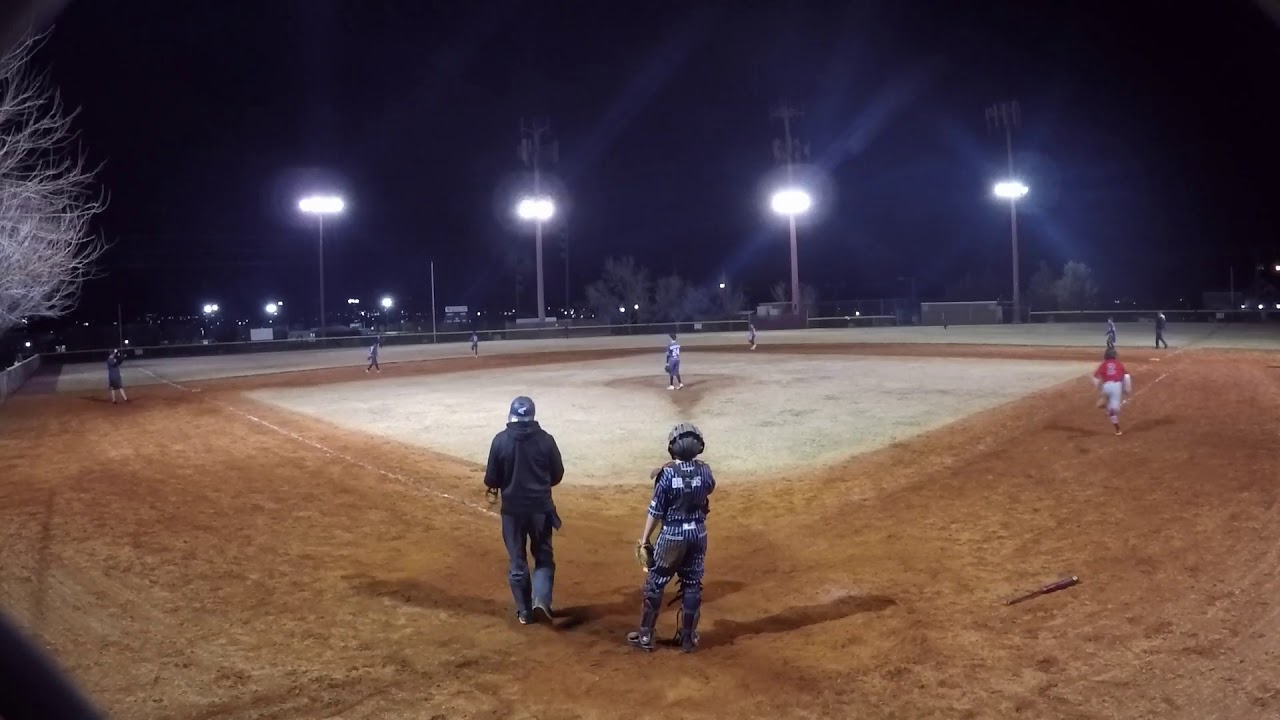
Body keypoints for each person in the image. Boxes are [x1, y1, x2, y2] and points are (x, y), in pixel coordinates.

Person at [629, 423, 716, 653]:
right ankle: (688, 638)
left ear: (672, 448)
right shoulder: (705, 471)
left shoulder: (666, 475)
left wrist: (645, 539)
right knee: (692, 584)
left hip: (672, 536)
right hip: (698, 534)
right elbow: (709, 489)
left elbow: (656, 511)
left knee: (655, 583)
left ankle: (646, 636)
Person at [483, 396, 565, 624]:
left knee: (517, 561)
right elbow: (557, 474)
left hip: (513, 512)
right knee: (543, 556)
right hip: (540, 509)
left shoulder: (500, 441)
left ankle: (525, 612)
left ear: (511, 415)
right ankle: (541, 600)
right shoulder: (546, 440)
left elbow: (491, 478)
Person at [1092, 347, 1133, 436]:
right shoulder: (1118, 364)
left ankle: (1105, 401)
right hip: (1116, 386)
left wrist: (1100, 388)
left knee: (1108, 405)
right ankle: (1116, 425)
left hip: (1106, 386)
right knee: (1114, 409)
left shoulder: (1103, 364)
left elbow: (1095, 377)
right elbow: (1126, 376)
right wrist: (1127, 389)